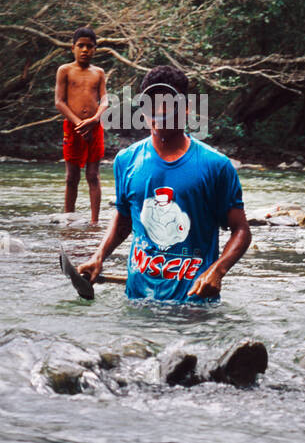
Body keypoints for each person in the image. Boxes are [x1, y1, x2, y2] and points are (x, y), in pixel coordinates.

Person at [77, 66, 251, 303]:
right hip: (138, 302)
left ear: (187, 107)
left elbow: (241, 230)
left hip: (193, 306)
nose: (160, 111)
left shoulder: (216, 165)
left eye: (168, 103)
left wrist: (218, 271)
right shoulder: (127, 160)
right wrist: (99, 256)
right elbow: (124, 218)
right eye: (152, 103)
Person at [54, 27, 109, 224]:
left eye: (89, 46)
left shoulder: (99, 73)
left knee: (93, 175)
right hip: (73, 127)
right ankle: (69, 217)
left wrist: (94, 119)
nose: (85, 50)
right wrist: (79, 123)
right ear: (73, 48)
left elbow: (104, 100)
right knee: (71, 176)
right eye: (81, 46)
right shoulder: (65, 70)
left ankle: (95, 221)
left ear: (95, 49)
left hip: (95, 127)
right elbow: (59, 101)